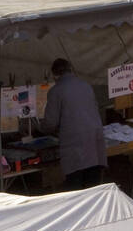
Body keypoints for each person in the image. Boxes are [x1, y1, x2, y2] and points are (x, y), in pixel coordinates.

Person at [39, 58, 107, 189]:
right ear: (70, 69)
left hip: (75, 146)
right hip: (95, 141)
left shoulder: (56, 91)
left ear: (55, 75)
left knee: (77, 190)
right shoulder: (86, 85)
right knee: (93, 188)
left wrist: (40, 127)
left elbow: (50, 123)